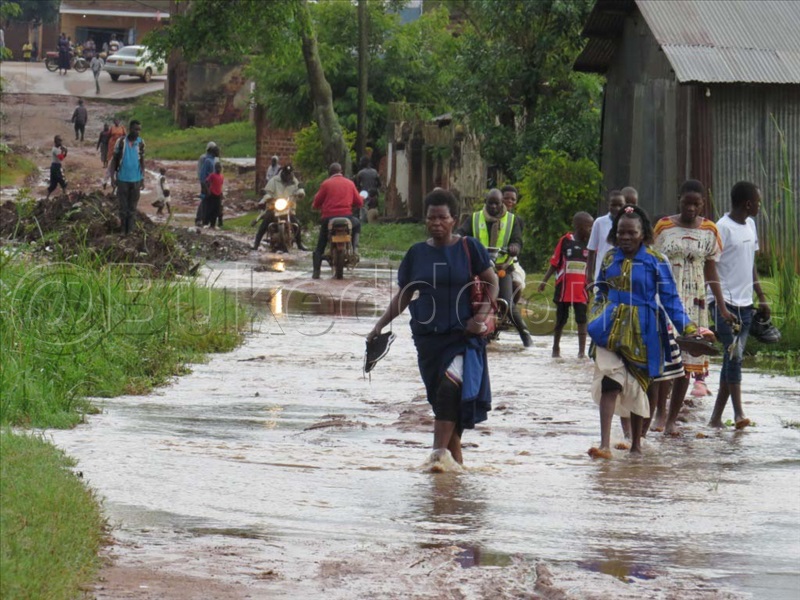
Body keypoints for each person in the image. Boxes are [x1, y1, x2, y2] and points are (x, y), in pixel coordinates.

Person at [367, 189, 498, 468]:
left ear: (454, 219)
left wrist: (481, 317)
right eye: (431, 218)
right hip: (428, 341)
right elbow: (404, 295)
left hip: (462, 336)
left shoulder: (469, 247)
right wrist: (379, 325)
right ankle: (456, 474)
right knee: (442, 405)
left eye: (442, 218)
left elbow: (492, 284)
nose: (436, 223)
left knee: (449, 392)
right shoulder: (417, 254)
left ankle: (436, 457)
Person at [587, 205, 699, 458]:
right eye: (621, 233)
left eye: (631, 233)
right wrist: (596, 317)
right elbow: (600, 292)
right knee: (610, 381)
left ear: (643, 233)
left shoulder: (656, 261)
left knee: (640, 386)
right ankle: (605, 444)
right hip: (609, 329)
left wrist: (689, 330)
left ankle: (636, 445)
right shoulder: (609, 259)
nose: (625, 237)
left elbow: (670, 300)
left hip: (645, 330)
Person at [653, 180, 733, 435]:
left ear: (702, 205)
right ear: (679, 200)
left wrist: (720, 305)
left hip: (696, 302)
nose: (690, 208)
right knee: (668, 361)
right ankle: (659, 413)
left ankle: (671, 420)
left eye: (696, 203)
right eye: (686, 202)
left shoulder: (710, 231)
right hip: (667, 299)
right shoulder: (664, 227)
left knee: (687, 362)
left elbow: (712, 269)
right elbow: (652, 262)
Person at [707, 182, 770, 430]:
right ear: (748, 204)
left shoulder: (751, 225)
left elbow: (750, 263)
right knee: (735, 356)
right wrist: (721, 308)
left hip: (745, 304)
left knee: (731, 358)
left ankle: (715, 419)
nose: (759, 205)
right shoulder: (722, 229)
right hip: (725, 304)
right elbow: (710, 267)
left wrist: (761, 296)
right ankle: (739, 413)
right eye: (758, 202)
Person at [458, 189, 533, 347]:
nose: (493, 206)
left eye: (496, 203)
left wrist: (514, 247)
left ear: (501, 203)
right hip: (478, 269)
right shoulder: (474, 218)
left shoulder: (512, 220)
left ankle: (526, 336)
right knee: (463, 296)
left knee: (506, 301)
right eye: (490, 203)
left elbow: (518, 241)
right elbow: (461, 233)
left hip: (502, 267)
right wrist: (458, 238)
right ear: (485, 202)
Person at [538, 212, 594, 358]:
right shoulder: (565, 241)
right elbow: (554, 263)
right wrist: (544, 281)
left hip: (581, 289)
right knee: (561, 319)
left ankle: (582, 352)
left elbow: (592, 266)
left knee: (582, 320)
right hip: (564, 288)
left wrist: (592, 282)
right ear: (578, 227)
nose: (591, 230)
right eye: (589, 227)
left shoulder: (591, 245)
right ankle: (556, 347)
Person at [311, 163, 363, 279]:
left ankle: (316, 272)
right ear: (341, 171)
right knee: (357, 224)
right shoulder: (350, 183)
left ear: (330, 173)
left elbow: (316, 203)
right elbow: (359, 202)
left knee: (321, 245)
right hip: (347, 217)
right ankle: (355, 249)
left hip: (328, 219)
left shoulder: (326, 184)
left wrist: (317, 206)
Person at [252, 164, 306, 250]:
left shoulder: (295, 182)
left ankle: (299, 244)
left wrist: (300, 193)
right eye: (286, 174)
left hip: (288, 209)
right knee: (265, 222)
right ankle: (256, 244)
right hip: (274, 208)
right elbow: (267, 191)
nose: (288, 176)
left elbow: (300, 190)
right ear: (283, 173)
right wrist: (268, 197)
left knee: (297, 224)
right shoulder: (274, 181)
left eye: (290, 174)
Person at [585, 189, 626, 288]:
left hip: (623, 274)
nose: (617, 208)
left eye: (620, 205)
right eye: (613, 205)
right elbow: (591, 250)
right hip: (602, 274)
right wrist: (589, 275)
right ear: (608, 205)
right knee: (601, 301)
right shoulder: (599, 222)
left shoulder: (628, 223)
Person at [110, 119, 145, 236]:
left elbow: (142, 161)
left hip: (136, 180)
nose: (137, 132)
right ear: (130, 129)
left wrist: (142, 178)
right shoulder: (121, 142)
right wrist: (112, 178)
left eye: (139, 130)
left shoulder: (141, 143)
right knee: (123, 207)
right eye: (135, 129)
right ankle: (123, 230)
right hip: (122, 180)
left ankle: (130, 230)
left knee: (133, 208)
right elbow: (114, 160)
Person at [501, 185, 527, 304]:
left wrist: (514, 247)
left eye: (513, 199)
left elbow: (517, 241)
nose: (510, 201)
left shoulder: (517, 220)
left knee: (517, 284)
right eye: (507, 198)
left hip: (509, 258)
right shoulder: (488, 217)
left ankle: (509, 313)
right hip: (490, 256)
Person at [196, 142, 218, 225]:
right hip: (206, 183)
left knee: (210, 201)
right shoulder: (205, 159)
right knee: (204, 200)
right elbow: (201, 171)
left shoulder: (214, 159)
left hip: (212, 183)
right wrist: (203, 184)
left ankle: (206, 220)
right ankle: (199, 219)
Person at [45, 136, 68, 200]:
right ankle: (65, 195)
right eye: (59, 141)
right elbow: (61, 158)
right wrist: (64, 151)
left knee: (53, 184)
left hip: (54, 166)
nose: (60, 142)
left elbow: (62, 157)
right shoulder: (56, 150)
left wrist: (64, 152)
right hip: (56, 166)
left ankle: (47, 197)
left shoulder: (56, 149)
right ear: (55, 142)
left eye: (61, 141)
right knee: (63, 181)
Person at [203, 162, 224, 229]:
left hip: (218, 195)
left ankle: (213, 224)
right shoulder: (212, 175)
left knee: (217, 210)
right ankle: (207, 222)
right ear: (215, 168)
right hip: (212, 194)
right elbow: (206, 182)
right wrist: (208, 190)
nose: (218, 169)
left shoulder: (221, 176)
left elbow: (220, 185)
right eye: (217, 168)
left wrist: (221, 193)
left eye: (219, 168)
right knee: (210, 209)